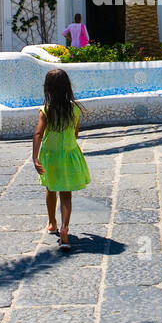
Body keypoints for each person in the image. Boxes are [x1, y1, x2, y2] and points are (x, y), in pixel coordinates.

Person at [33, 69, 90, 249]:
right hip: (69, 154)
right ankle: (65, 227)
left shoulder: (46, 110)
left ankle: (52, 223)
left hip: (51, 156)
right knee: (66, 193)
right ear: (67, 87)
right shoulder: (74, 109)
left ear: (48, 88)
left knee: (51, 188)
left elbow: (38, 134)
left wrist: (35, 157)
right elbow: (75, 132)